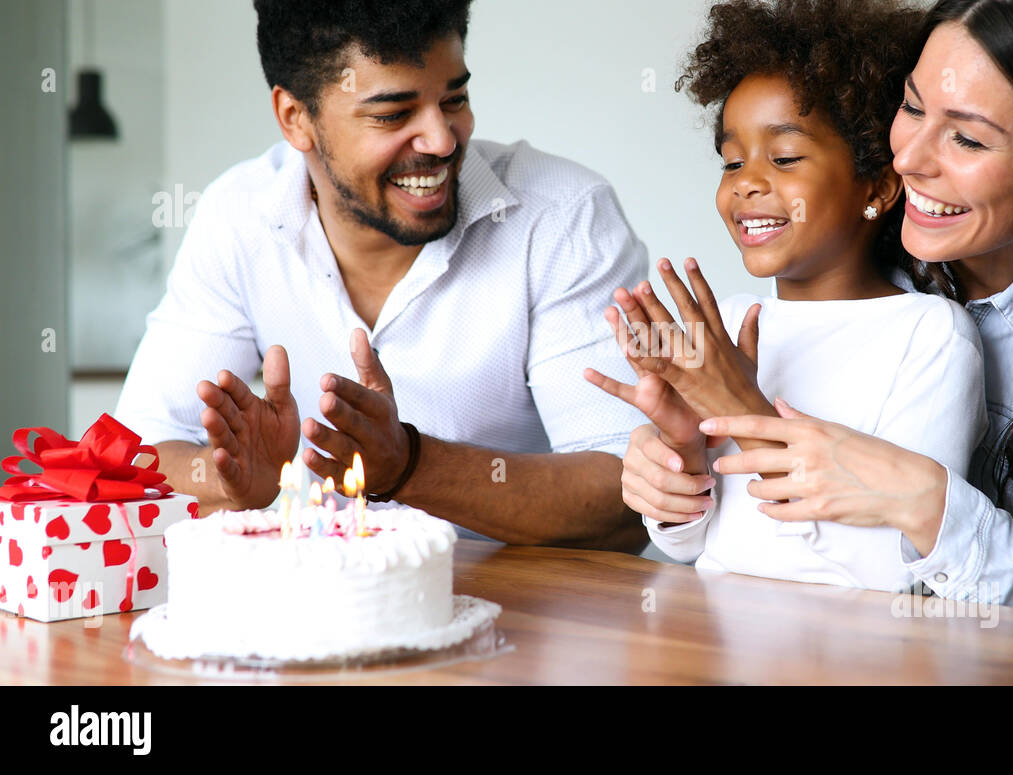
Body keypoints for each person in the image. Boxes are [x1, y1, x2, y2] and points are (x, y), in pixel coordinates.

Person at [625, 0, 1013, 624]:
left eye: (967, 137)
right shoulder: (856, 292)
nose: (909, 158)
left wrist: (925, 501)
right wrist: (674, 470)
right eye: (911, 107)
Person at [114, 0, 651, 552]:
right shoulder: (238, 216)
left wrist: (411, 465)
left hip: (538, 623)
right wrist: (227, 480)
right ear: (296, 118)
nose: (441, 141)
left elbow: (629, 499)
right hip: (322, 618)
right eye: (393, 114)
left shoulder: (563, 216)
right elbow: (136, 450)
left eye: (454, 100)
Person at [585, 0, 986, 590]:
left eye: (786, 157)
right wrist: (681, 454)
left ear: (875, 186)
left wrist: (744, 408)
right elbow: (686, 544)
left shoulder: (928, 336)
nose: (747, 181)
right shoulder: (731, 329)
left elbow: (895, 574)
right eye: (731, 161)